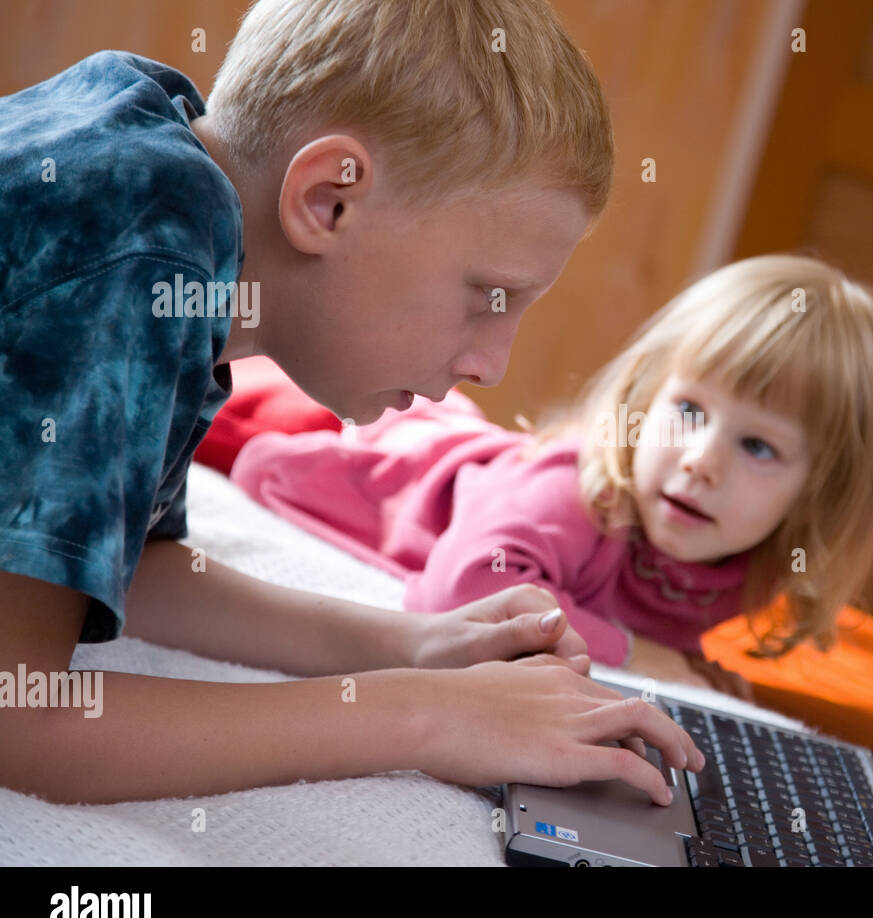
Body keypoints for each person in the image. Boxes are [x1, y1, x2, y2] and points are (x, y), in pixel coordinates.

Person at [0, 0, 705, 808]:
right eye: (488, 296)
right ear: (329, 199)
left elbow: (127, 567)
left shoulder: (158, 164)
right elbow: (19, 714)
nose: (492, 364)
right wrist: (430, 717)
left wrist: (415, 644)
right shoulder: (137, 252)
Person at [231, 254, 873, 696]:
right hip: (348, 439)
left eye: (758, 447)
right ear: (643, 396)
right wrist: (636, 654)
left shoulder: (744, 561)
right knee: (211, 377)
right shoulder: (578, 490)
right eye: (689, 410)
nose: (701, 460)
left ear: (819, 491)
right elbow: (463, 588)